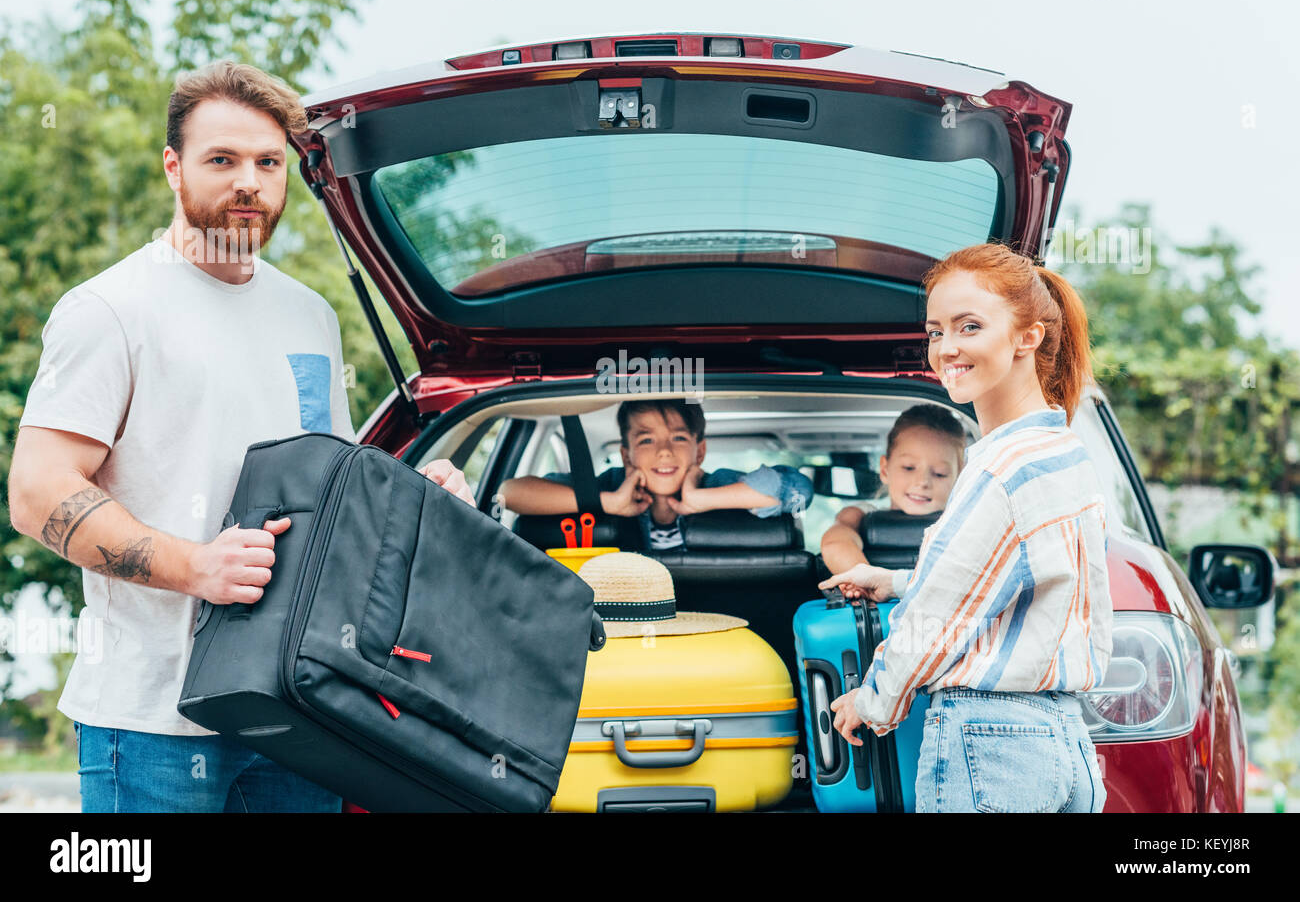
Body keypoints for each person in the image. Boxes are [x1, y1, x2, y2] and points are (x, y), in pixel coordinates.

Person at [6, 60, 475, 813]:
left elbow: (331, 485)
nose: (248, 182)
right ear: (173, 166)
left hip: (298, 704)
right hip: (155, 720)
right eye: (221, 160)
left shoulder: (310, 315)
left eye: (267, 161)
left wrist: (419, 498)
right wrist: (196, 566)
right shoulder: (111, 310)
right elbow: (37, 493)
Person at [820, 242, 1112, 813]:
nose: (946, 348)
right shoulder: (1062, 454)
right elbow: (1025, 580)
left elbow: (935, 624)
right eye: (935, 332)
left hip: (991, 744)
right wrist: (901, 581)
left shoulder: (999, 470)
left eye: (968, 326)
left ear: (1028, 336)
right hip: (1067, 744)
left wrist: (872, 699)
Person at [500, 398, 813, 551]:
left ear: (699, 451)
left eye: (678, 437)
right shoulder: (608, 486)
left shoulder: (718, 484)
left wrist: (701, 499)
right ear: (627, 455)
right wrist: (607, 504)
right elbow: (510, 492)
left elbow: (800, 490)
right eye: (646, 440)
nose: (664, 451)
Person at [819, 403, 966, 577]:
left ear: (960, 477)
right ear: (884, 470)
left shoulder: (966, 522)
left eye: (940, 474)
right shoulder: (862, 514)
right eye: (909, 468)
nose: (922, 482)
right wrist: (866, 581)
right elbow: (834, 542)